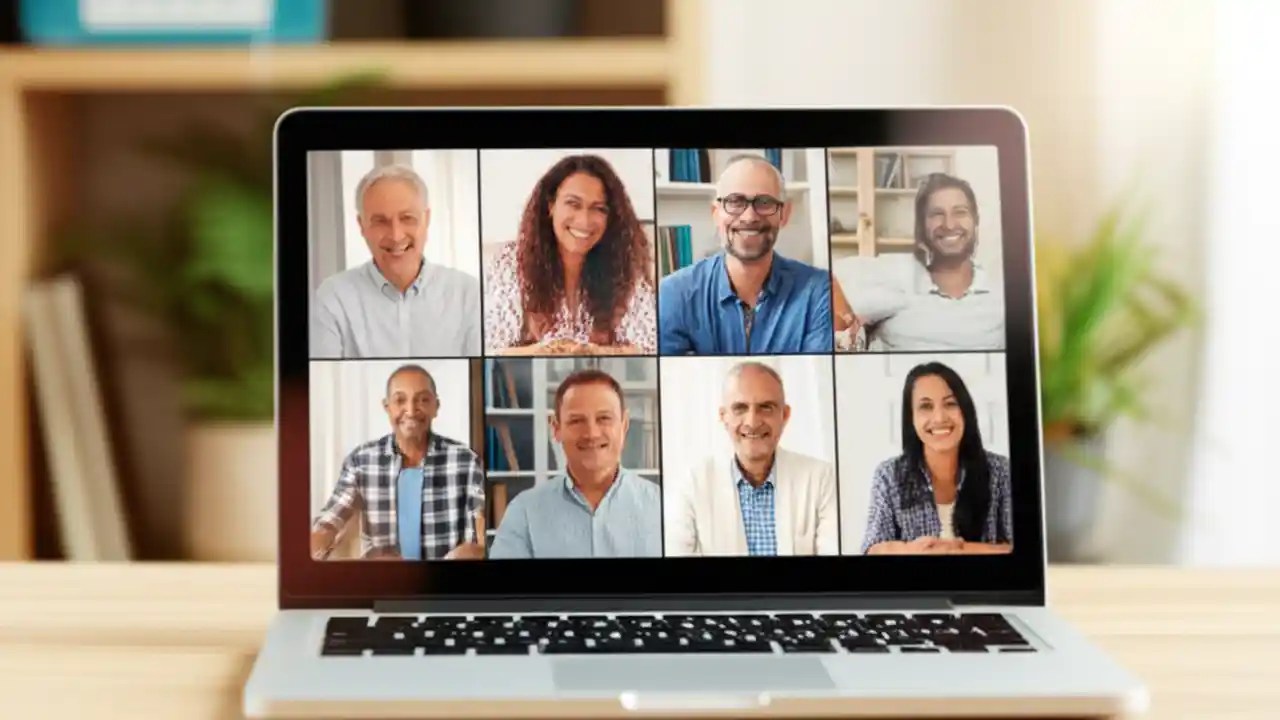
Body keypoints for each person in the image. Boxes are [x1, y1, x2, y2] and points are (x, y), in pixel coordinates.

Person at [659, 154, 833, 354]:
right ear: (715, 214)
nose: (749, 217)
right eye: (735, 201)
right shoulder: (674, 293)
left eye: (765, 202)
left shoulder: (817, 291)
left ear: (784, 214)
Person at [484, 154, 656, 355]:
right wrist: (543, 352)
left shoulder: (626, 265)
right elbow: (493, 348)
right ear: (550, 206)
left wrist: (596, 353)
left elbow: (648, 347)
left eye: (599, 208)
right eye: (573, 204)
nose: (584, 220)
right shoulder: (509, 262)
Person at [310, 365, 485, 561]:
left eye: (423, 400)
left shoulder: (466, 460)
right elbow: (331, 520)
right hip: (382, 583)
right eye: (400, 400)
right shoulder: (361, 461)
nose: (410, 411)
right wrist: (315, 546)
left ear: (436, 407)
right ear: (387, 407)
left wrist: (470, 553)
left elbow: (481, 532)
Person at [665, 362, 838, 556]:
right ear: (724, 417)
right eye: (740, 408)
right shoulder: (691, 483)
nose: (753, 422)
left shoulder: (821, 478)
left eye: (766, 407)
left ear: (785, 415)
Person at [311, 164, 482, 358]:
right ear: (362, 226)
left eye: (407, 218)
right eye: (380, 221)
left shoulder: (468, 294)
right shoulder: (332, 298)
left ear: (426, 220)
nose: (396, 235)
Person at [489, 369, 661, 558]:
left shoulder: (662, 505)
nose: (592, 433)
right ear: (556, 428)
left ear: (624, 425)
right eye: (577, 420)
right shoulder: (524, 512)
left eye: (604, 418)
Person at [833, 172, 1004, 351]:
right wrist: (852, 334)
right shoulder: (896, 272)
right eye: (937, 214)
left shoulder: (1000, 291)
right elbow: (824, 283)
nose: (950, 224)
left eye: (960, 212)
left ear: (975, 220)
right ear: (922, 225)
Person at [861, 362, 1012, 555]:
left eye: (950, 404)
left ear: (965, 411)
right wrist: (913, 551)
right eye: (925, 406)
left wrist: (957, 549)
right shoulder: (889, 474)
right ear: (911, 418)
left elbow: (1019, 551)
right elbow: (872, 549)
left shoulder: (1000, 471)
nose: (939, 418)